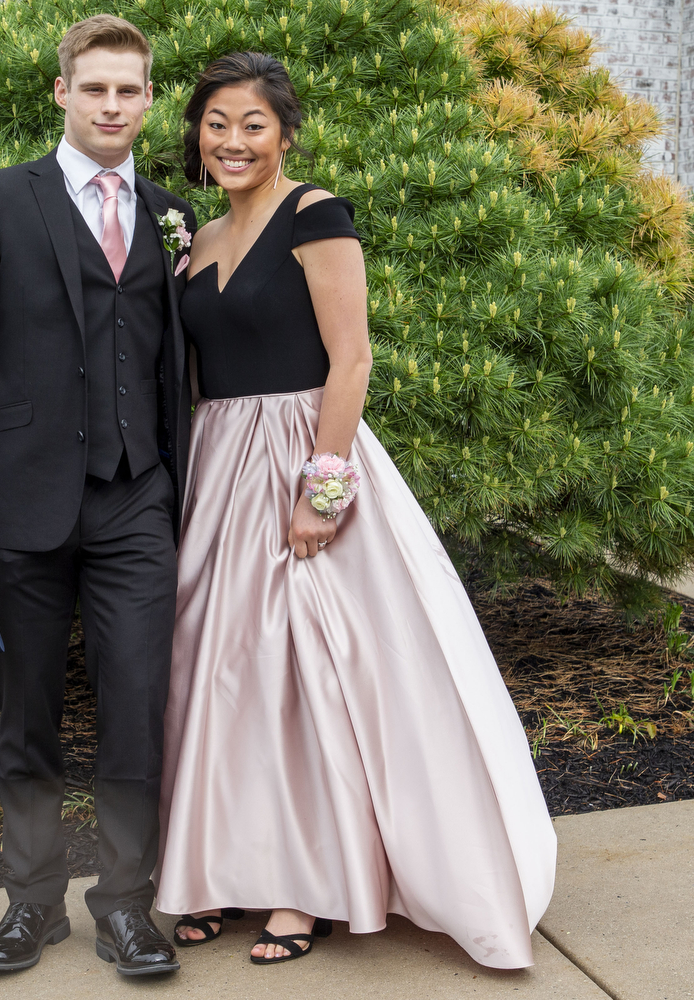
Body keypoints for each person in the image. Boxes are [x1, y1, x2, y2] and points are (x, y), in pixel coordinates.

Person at [156, 52, 556, 969]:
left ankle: (307, 891)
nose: (232, 140)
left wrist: (323, 489)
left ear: (284, 132)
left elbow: (352, 359)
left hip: (305, 454)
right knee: (219, 675)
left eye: (251, 123)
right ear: (196, 135)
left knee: (309, 677)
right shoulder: (195, 239)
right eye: (215, 123)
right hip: (218, 469)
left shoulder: (315, 213)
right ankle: (218, 872)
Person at [0, 15, 196, 978]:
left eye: (130, 90)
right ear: (61, 93)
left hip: (135, 498)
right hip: (20, 499)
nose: (113, 105)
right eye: (95, 88)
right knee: (26, 713)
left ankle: (123, 904)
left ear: (148, 100)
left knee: (136, 705)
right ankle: (32, 904)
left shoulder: (168, 211)